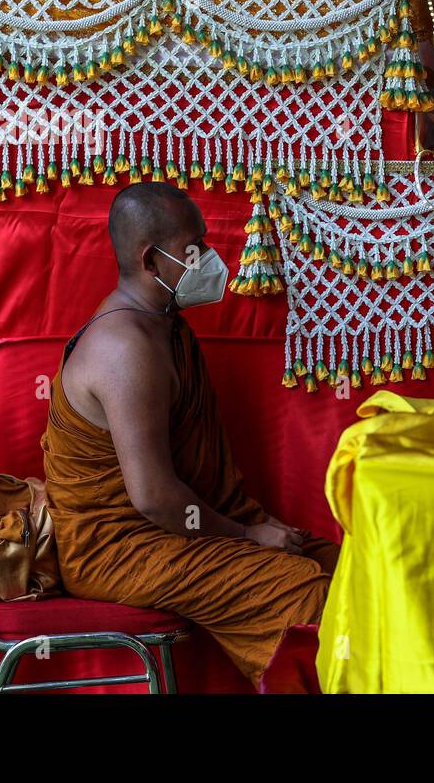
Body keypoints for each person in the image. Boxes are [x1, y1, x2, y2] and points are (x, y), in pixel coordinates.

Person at [41, 182, 337, 689]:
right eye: (193, 249)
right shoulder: (125, 349)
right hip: (117, 547)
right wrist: (248, 535)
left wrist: (256, 522)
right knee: (305, 594)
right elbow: (154, 498)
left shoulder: (165, 325)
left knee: (337, 561)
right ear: (151, 262)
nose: (210, 259)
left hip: (166, 528)